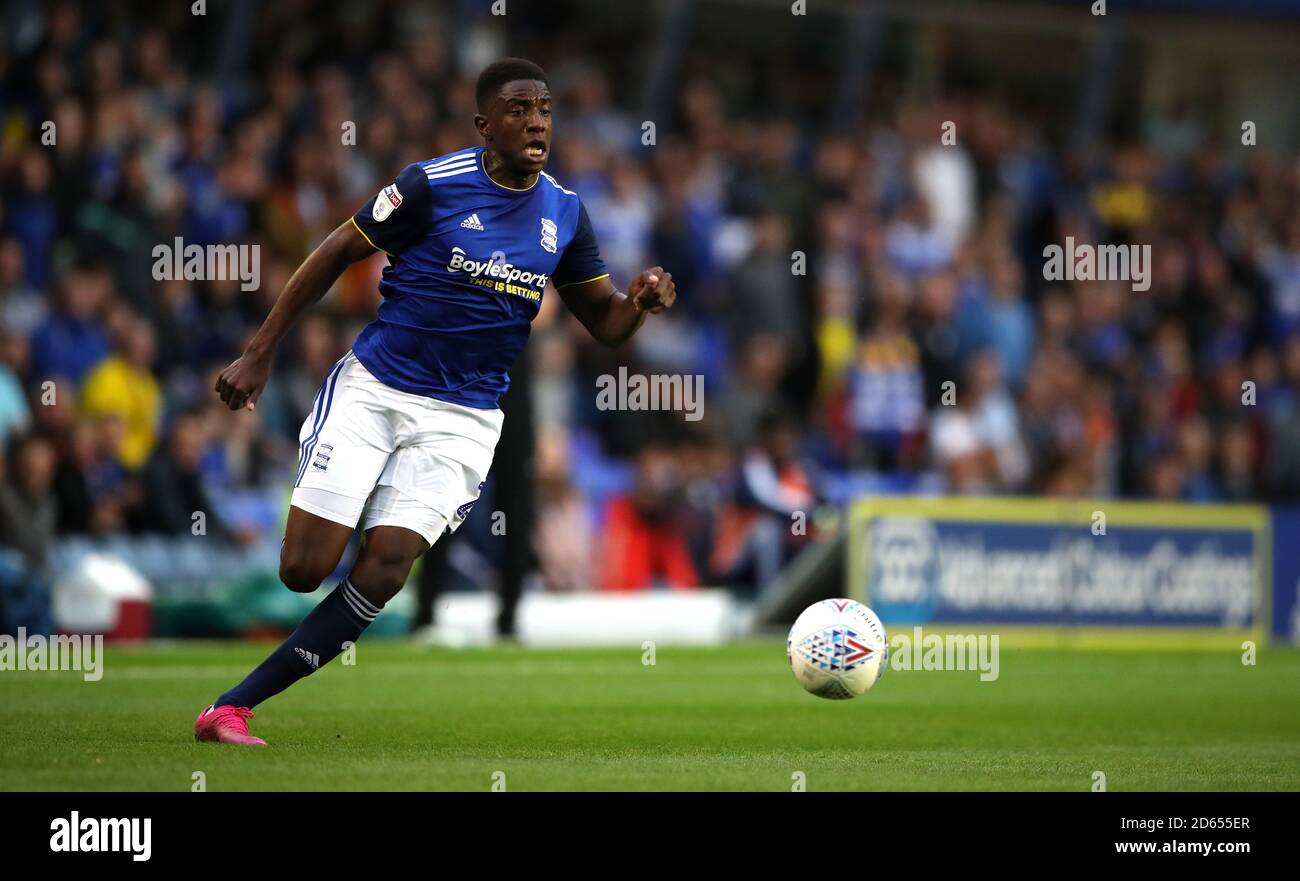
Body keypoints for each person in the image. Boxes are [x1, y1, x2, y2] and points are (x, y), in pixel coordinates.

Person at [195, 58, 677, 746]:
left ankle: (232, 708)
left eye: (544, 108)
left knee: (388, 562)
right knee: (302, 569)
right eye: (518, 109)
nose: (536, 120)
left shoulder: (566, 213)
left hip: (465, 416)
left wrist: (637, 302)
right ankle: (345, 498)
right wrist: (260, 349)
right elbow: (336, 250)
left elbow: (602, 321)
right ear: (484, 124)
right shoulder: (431, 185)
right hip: (378, 389)